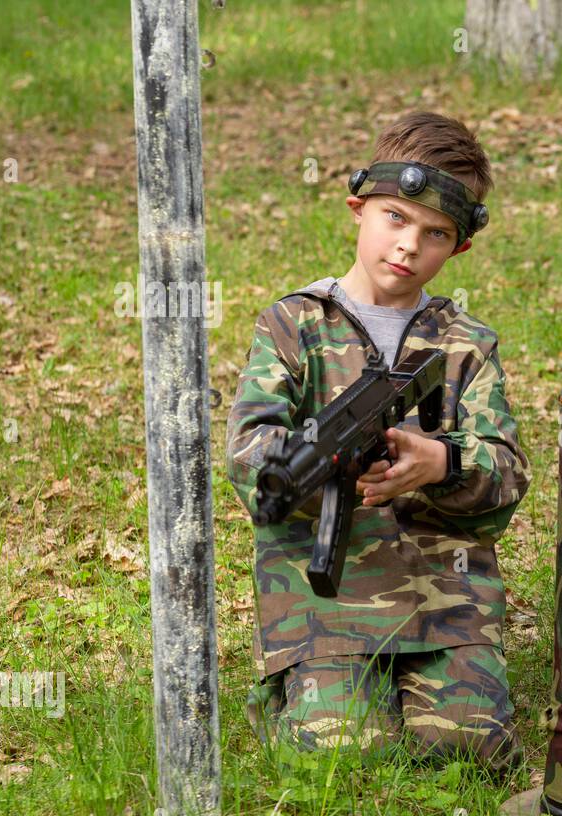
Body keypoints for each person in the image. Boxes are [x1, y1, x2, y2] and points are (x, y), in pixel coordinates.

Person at [225, 111, 530, 772]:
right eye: (395, 218)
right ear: (357, 207)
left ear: (460, 247)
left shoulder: (465, 345)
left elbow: (507, 474)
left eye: (435, 233)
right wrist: (314, 471)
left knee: (471, 747)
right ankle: (302, 687)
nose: (408, 245)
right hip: (324, 598)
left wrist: (441, 464)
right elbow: (250, 451)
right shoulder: (293, 325)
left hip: (445, 599)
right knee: (338, 756)